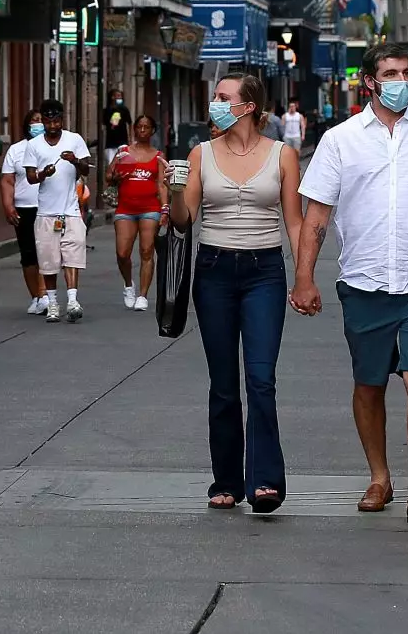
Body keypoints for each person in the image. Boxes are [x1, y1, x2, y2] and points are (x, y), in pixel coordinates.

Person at [292, 42, 408, 526]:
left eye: (405, 72)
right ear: (371, 82)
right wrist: (304, 277)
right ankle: (380, 476)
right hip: (364, 282)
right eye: (390, 73)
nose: (400, 81)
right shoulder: (341, 140)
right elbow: (317, 215)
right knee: (369, 384)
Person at [173, 73, 302, 513]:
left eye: (223, 97)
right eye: (215, 96)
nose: (215, 103)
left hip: (264, 271)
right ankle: (226, 479)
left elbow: (295, 222)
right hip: (214, 272)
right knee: (224, 383)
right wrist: (172, 191)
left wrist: (304, 274)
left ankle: (265, 480)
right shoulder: (201, 154)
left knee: (261, 379)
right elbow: (183, 218)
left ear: (247, 107)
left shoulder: (282, 155)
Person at [18, 98, 92, 322]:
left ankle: (72, 300)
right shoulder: (34, 145)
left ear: (62, 119)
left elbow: (86, 169)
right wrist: (43, 174)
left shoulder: (74, 139)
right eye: (48, 121)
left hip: (70, 209)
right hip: (46, 213)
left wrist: (75, 160)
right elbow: (31, 178)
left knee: (72, 255)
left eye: (56, 120)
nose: (52, 125)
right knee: (48, 260)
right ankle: (52, 303)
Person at [110, 114, 166, 310]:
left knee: (146, 250)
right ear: (134, 129)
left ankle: (142, 295)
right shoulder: (123, 152)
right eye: (139, 127)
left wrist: (165, 208)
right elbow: (109, 176)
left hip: (150, 208)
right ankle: (128, 285)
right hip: (126, 208)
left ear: (152, 131)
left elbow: (161, 184)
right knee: (122, 253)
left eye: (146, 127)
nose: (142, 131)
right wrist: (116, 175)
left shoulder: (158, 156)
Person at [0, 107, 50, 314]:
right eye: (34, 120)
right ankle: (36, 297)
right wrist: (8, 205)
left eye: (41, 120)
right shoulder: (16, 150)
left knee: (45, 252)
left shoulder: (51, 147)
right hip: (24, 207)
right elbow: (7, 180)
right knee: (29, 254)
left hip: (47, 206)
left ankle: (46, 294)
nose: (38, 124)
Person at [102, 87, 132, 155]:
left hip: (122, 141)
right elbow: (104, 124)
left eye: (121, 96)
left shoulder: (124, 109)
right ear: (112, 97)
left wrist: (130, 139)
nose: (120, 98)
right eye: (118, 96)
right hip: (110, 142)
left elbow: (130, 123)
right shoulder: (107, 110)